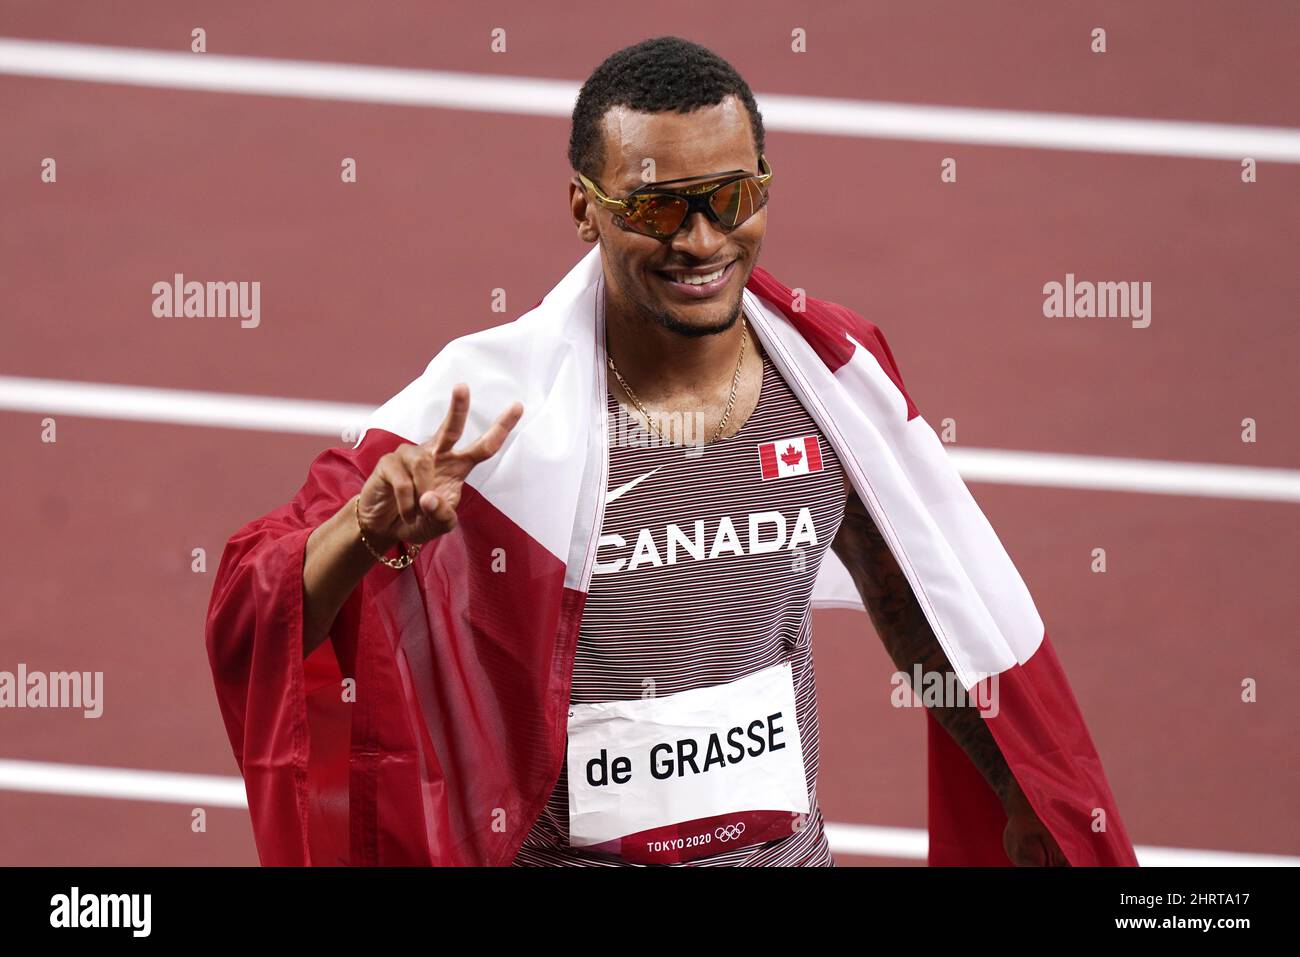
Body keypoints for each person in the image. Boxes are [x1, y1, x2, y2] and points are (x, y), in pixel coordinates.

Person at [206, 36, 1137, 867]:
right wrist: (367, 533)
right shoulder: (486, 407)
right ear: (584, 206)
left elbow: (916, 600)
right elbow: (257, 597)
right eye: (657, 208)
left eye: (731, 198)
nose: (701, 240)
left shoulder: (828, 384)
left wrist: (1016, 786)